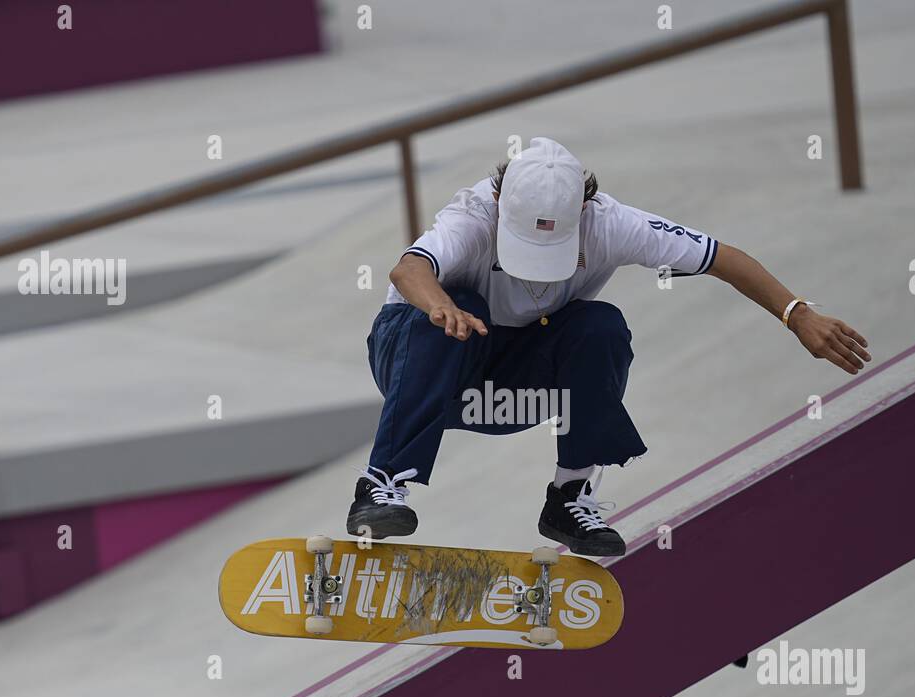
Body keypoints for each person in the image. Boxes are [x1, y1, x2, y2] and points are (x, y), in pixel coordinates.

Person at [350, 137, 869, 555]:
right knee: (456, 307)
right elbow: (409, 269)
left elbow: (722, 259)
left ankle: (570, 496)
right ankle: (382, 484)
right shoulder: (472, 216)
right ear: (501, 206)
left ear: (583, 212)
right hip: (422, 368)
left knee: (601, 326)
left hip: (508, 396)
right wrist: (441, 305)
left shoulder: (613, 223)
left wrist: (796, 314)